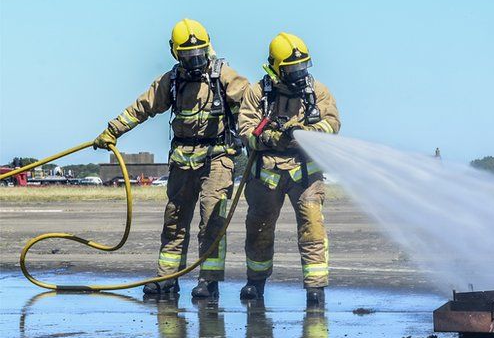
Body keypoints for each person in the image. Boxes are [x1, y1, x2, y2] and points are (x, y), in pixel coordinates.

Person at [93, 19, 249, 298]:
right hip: (182, 159)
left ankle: (209, 281)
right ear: (175, 53)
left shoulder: (224, 76)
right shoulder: (172, 81)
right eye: (188, 56)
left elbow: (250, 106)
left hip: (217, 159)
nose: (194, 61)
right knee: (174, 220)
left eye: (198, 54)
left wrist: (256, 137)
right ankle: (167, 277)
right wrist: (112, 131)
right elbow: (141, 107)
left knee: (212, 220)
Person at [237, 32, 341, 306]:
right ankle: (255, 282)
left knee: (312, 229)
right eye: (292, 69)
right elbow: (246, 131)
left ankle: (315, 288)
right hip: (265, 175)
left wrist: (306, 132)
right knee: (259, 228)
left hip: (305, 174)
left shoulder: (317, 91)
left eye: (302, 67)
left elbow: (332, 125)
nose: (298, 74)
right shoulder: (257, 93)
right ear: (275, 68)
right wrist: (273, 138)